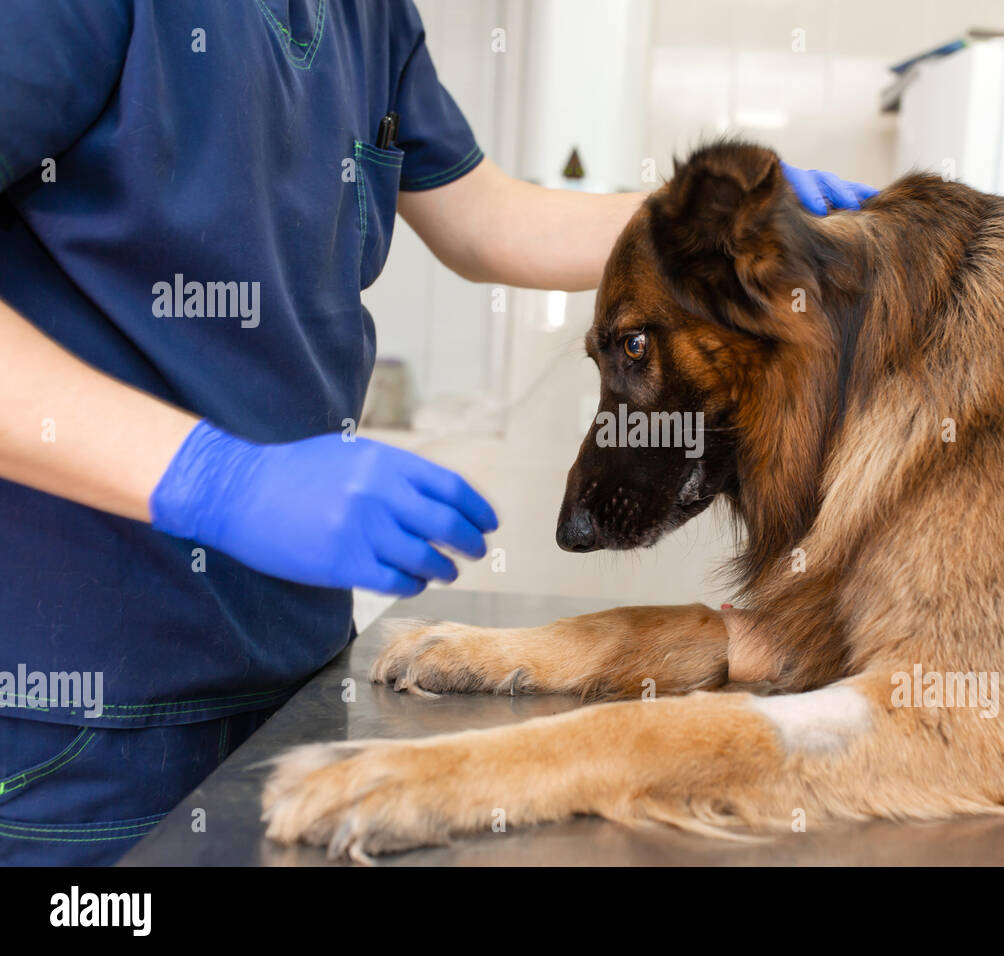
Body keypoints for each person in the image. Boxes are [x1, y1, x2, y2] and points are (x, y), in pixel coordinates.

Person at [0, 0, 876, 865]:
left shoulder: (367, 15)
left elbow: (483, 218)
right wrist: (212, 480)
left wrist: (701, 225)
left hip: (289, 665)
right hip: (75, 706)